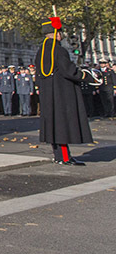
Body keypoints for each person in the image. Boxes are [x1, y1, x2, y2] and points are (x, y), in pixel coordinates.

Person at [35, 17, 93, 165]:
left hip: (48, 94)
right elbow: (69, 71)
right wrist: (86, 76)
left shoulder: (41, 51)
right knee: (62, 125)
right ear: (57, 33)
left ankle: (59, 155)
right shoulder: (59, 50)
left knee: (53, 124)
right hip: (61, 93)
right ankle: (64, 157)